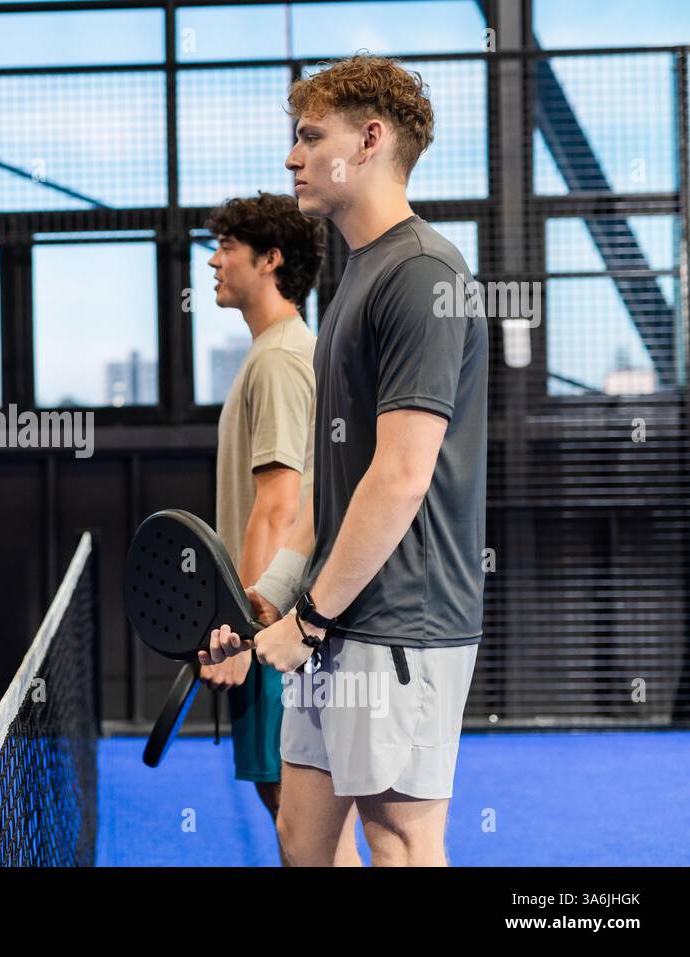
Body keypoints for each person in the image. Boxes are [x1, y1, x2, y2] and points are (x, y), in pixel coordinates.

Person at [202, 54, 489, 867]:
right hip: (337, 614)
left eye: (308, 136)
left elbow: (401, 475)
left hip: (402, 620)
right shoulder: (356, 277)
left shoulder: (426, 273)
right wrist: (271, 600)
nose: (292, 156)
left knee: (399, 839)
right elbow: (332, 489)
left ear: (368, 140)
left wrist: (314, 618)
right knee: (302, 833)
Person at [199, 193, 360, 866]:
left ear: (270, 261)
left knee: (303, 826)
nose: (213, 259)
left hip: (278, 631)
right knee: (300, 825)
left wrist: (244, 626)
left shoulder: (280, 359)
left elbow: (280, 504)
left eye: (228, 247)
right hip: (282, 624)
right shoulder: (280, 352)